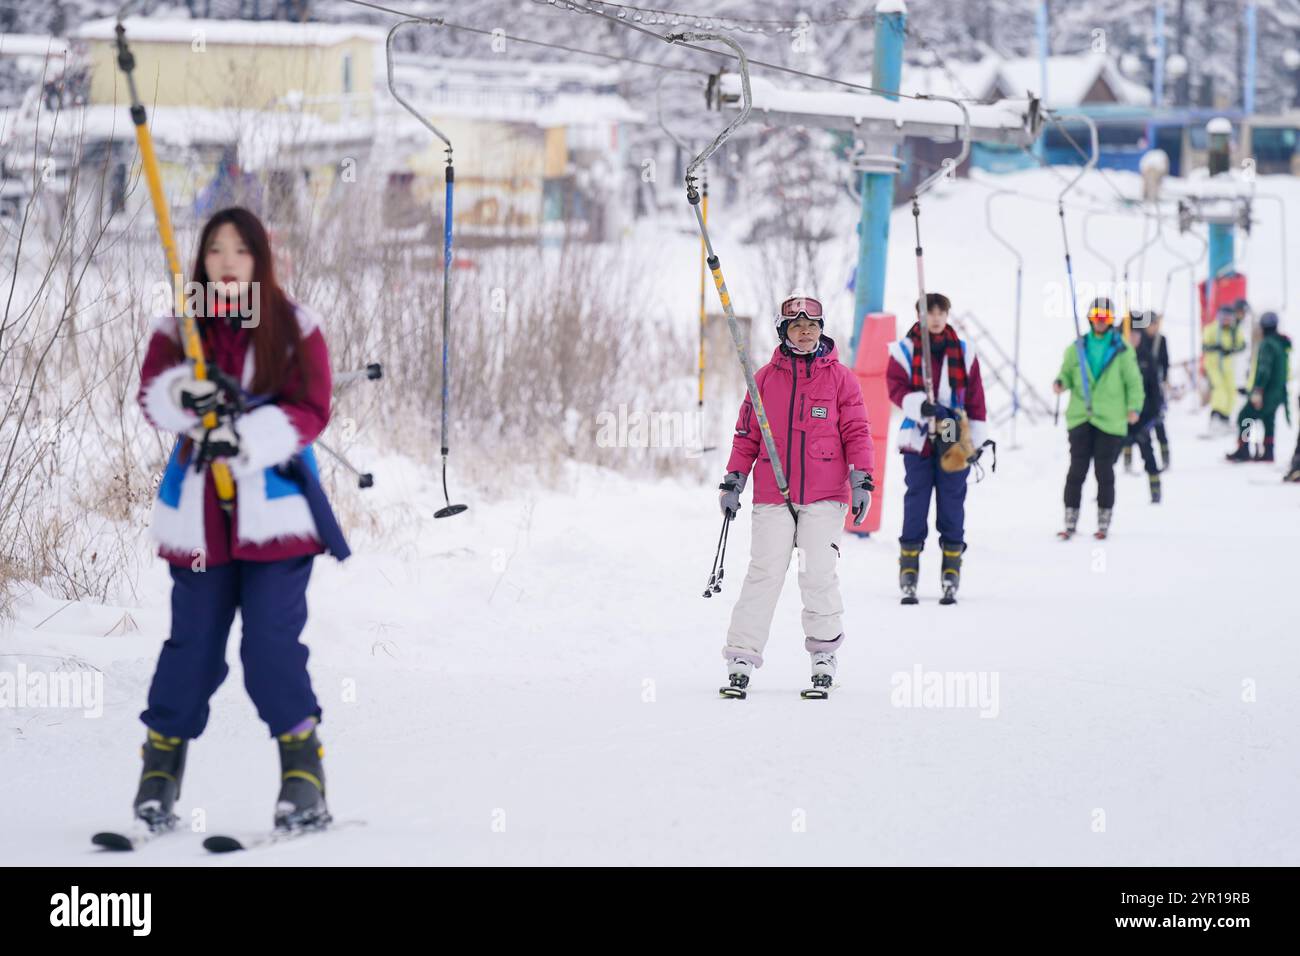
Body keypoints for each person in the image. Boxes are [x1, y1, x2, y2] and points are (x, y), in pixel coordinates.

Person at [132, 207, 344, 833]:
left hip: (275, 516)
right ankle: (159, 776)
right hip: (201, 518)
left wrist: (246, 437)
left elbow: (312, 407)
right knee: (191, 647)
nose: (227, 262)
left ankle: (303, 779)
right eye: (216, 249)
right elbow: (152, 396)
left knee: (269, 646)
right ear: (201, 258)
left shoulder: (294, 326)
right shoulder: (179, 326)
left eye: (241, 250)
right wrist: (185, 398)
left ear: (260, 259)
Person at [718, 293, 874, 698]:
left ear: (821, 330)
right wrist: (734, 479)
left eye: (812, 326)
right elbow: (746, 436)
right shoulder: (764, 380)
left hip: (825, 494)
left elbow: (857, 432)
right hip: (773, 493)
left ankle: (823, 655)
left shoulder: (842, 379)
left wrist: (862, 479)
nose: (805, 332)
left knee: (817, 573)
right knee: (764, 572)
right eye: (797, 326)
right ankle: (741, 656)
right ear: (784, 332)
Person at [885, 292, 989, 604]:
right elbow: (895, 387)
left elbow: (976, 397)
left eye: (941, 312)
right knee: (916, 500)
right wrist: (917, 404)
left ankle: (951, 569)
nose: (936, 318)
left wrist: (977, 440)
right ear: (920, 315)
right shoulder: (905, 349)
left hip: (953, 433)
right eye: (930, 312)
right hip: (918, 435)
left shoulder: (964, 351)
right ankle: (909, 567)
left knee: (952, 500)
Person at [1053, 297, 1145, 539]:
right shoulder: (1077, 348)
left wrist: (1134, 407)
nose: (1101, 321)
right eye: (1096, 315)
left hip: (1110, 419)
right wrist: (1061, 383)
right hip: (1081, 417)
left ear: (1112, 319)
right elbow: (1066, 373)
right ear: (1089, 318)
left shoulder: (1122, 349)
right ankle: (1070, 520)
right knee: (1077, 470)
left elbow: (1134, 382)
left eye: (1105, 316)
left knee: (1104, 471)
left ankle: (1103, 521)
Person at [1226, 311, 1291, 463]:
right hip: (1278, 392)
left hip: (1267, 392)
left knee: (1245, 417)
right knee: (1269, 420)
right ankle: (1269, 452)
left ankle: (1243, 449)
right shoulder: (1281, 344)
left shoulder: (1267, 344)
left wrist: (1257, 391)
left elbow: (1264, 370)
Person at [1120, 312, 1165, 502]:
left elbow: (1155, 389)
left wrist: (1155, 413)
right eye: (1130, 335)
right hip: (1121, 417)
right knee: (1106, 457)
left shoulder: (1147, 358)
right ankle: (1102, 494)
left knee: (1148, 454)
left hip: (1143, 417)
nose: (1134, 339)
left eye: (1137, 335)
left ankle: (1155, 490)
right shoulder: (1118, 358)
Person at [1203, 302, 1247, 433]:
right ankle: (1215, 416)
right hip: (1214, 365)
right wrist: (1215, 348)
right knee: (1219, 389)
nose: (1227, 321)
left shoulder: (1234, 330)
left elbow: (1241, 345)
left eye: (1229, 318)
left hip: (1227, 366)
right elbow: (1205, 345)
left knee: (1230, 391)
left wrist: (1231, 349)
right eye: (1224, 318)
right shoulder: (1212, 329)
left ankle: (1225, 417)